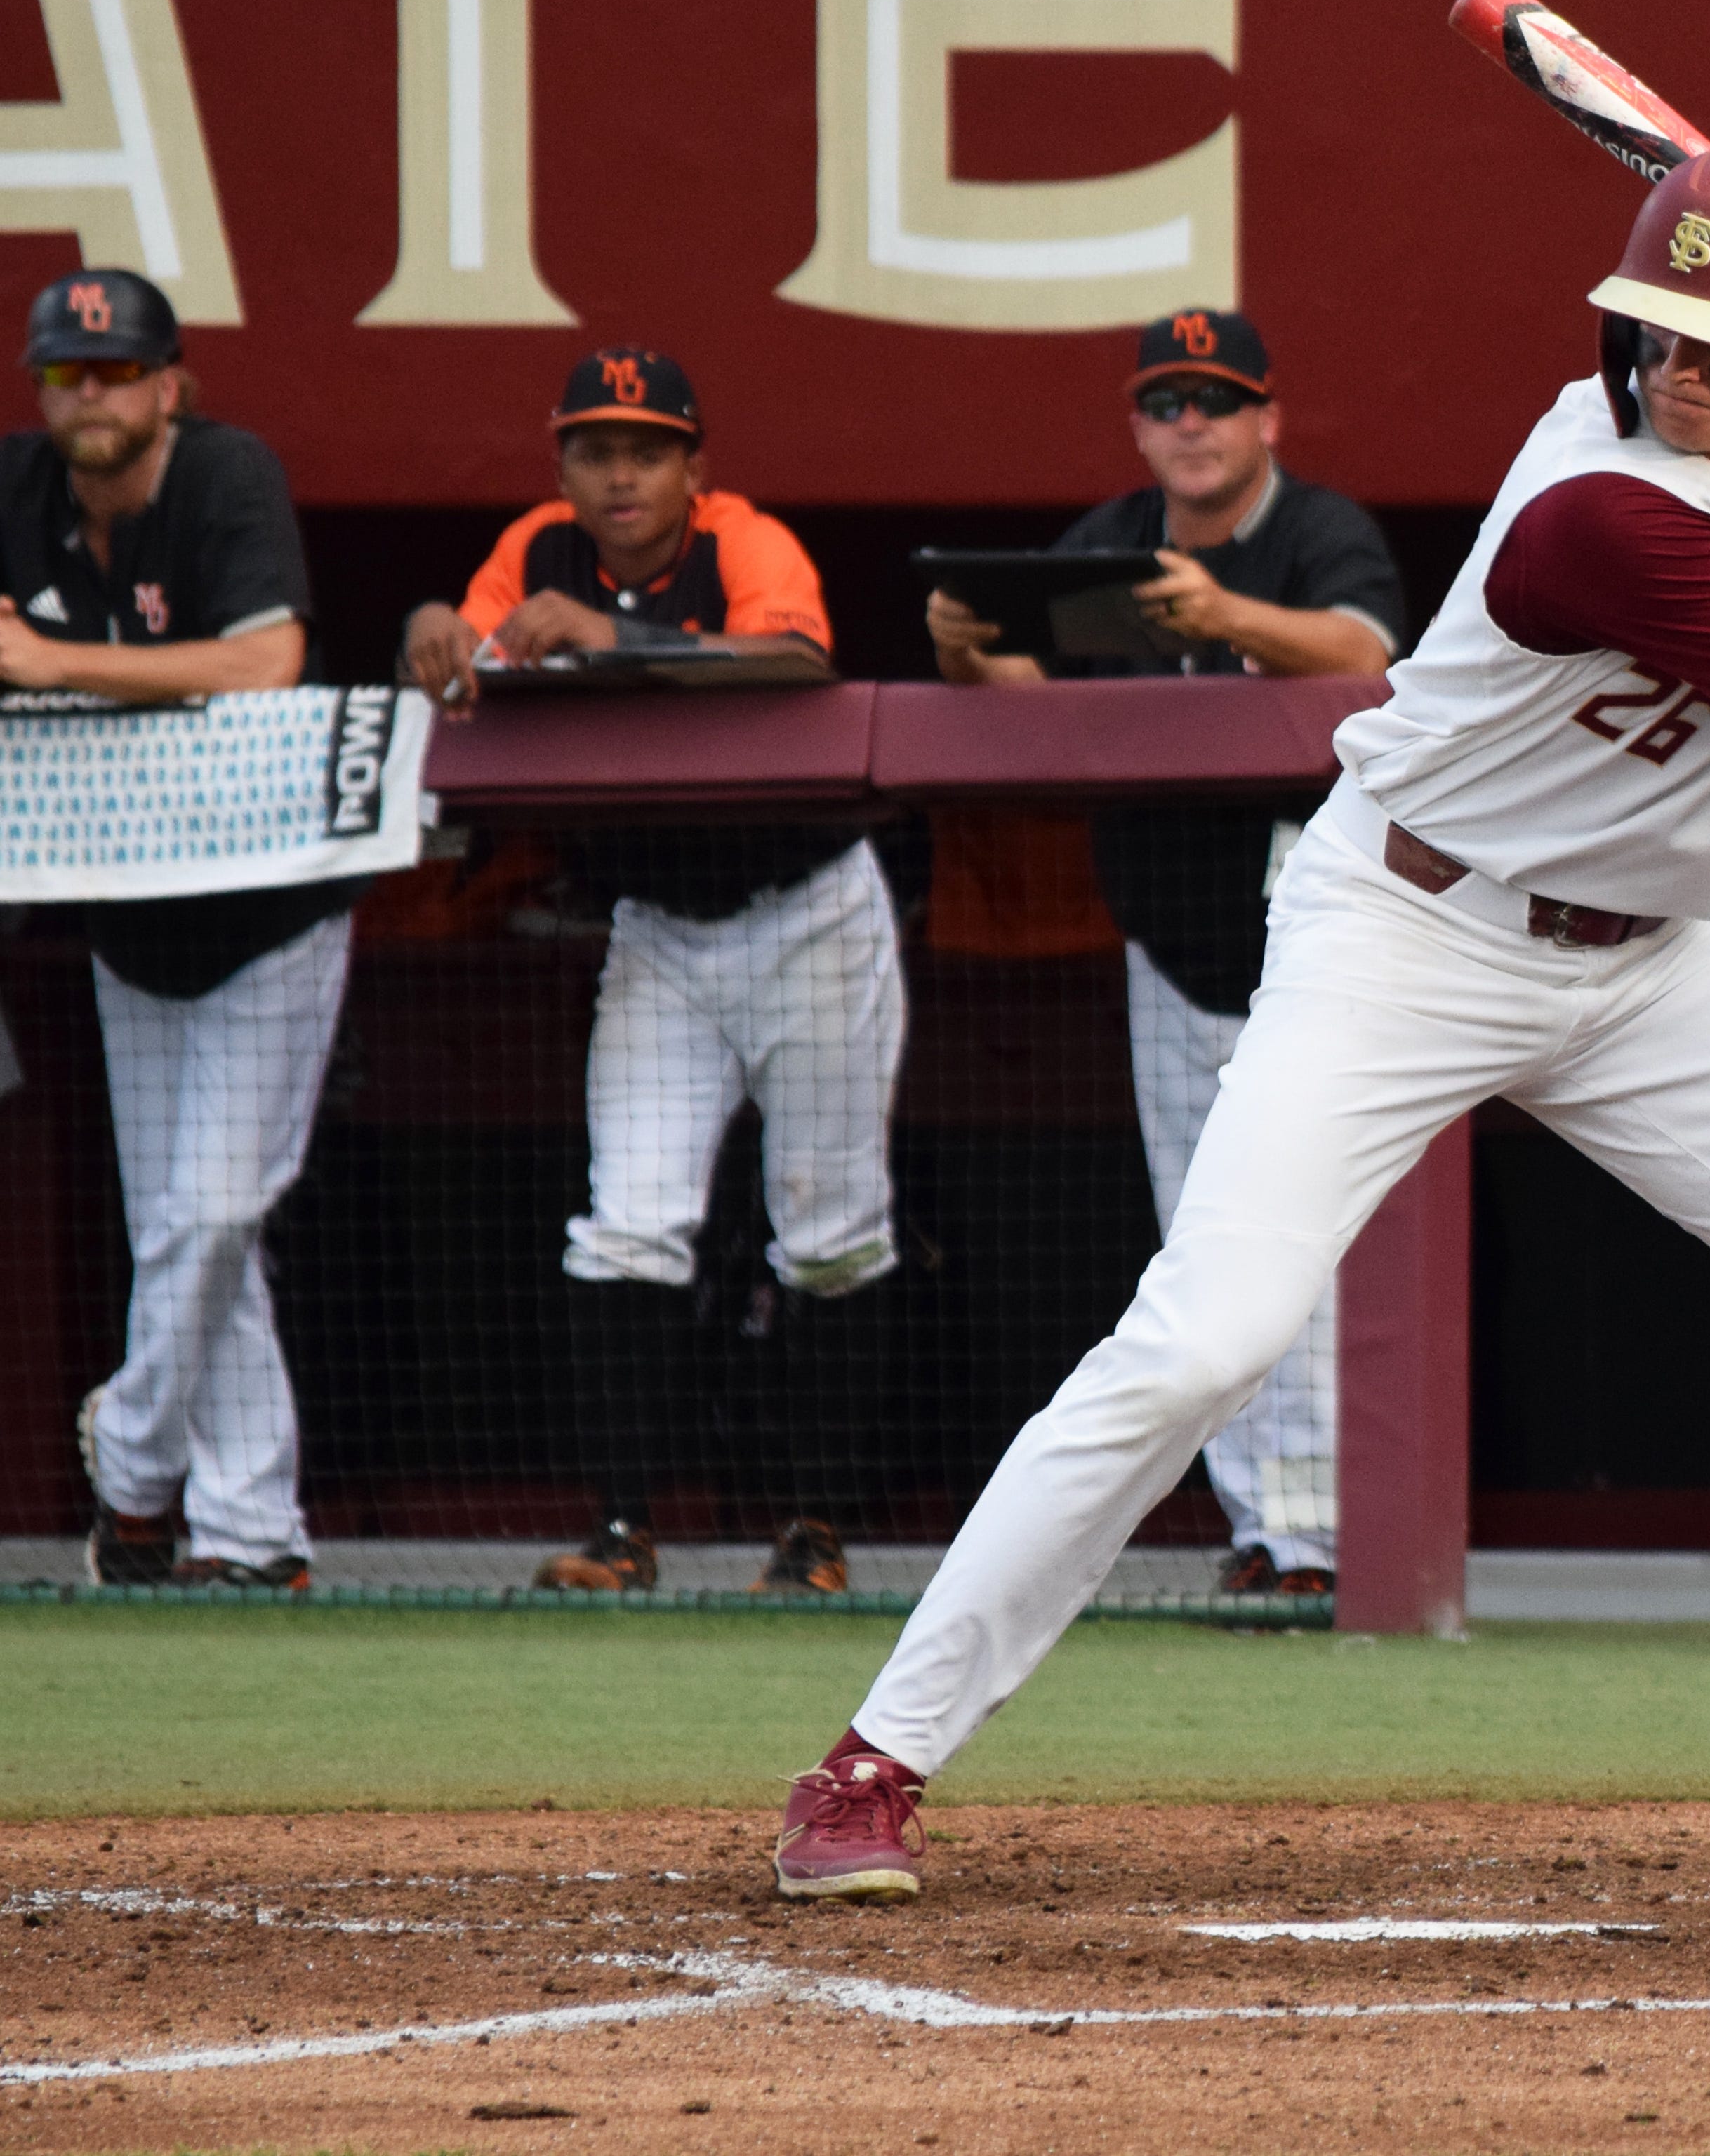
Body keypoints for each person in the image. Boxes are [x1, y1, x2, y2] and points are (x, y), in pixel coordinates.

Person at [772, 142, 1710, 1902]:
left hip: (1653, 964)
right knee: (1202, 1340)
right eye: (1655, 335)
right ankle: (868, 1765)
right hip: (1409, 927)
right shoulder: (1602, 503)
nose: (1680, 374)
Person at [403, 349, 903, 1597]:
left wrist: (618, 637)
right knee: (626, 1220)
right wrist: (430, 629)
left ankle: (815, 1533)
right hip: (659, 927)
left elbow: (795, 663)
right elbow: (464, 647)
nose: (620, 473)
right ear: (561, 462)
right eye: (594, 449)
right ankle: (624, 1532)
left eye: (647, 449)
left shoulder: (746, 543)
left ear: (695, 465)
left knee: (830, 1233)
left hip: (810, 911)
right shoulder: (534, 545)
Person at [927, 308, 1403, 1603]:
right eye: (1167, 402)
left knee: (1330, 1252)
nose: (1191, 422)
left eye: (1216, 399)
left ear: (1267, 419)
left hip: (1334, 948)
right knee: (1210, 1249)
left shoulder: (1315, 531)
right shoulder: (1107, 539)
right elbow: (1043, 685)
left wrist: (1225, 609)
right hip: (1176, 946)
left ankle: (1342, 1537)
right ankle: (1275, 1534)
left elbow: (1368, 654)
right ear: (1140, 427)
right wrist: (973, 657)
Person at [1, 269, 360, 1591]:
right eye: (65, 375)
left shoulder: (225, 475)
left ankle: (137, 1464)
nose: (90, 394)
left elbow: (268, 659)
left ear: (170, 385)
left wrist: (49, 663)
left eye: (115, 371)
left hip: (271, 909)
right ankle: (253, 1536)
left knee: (208, 1214)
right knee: (194, 1233)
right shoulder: (20, 493)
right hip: (127, 919)